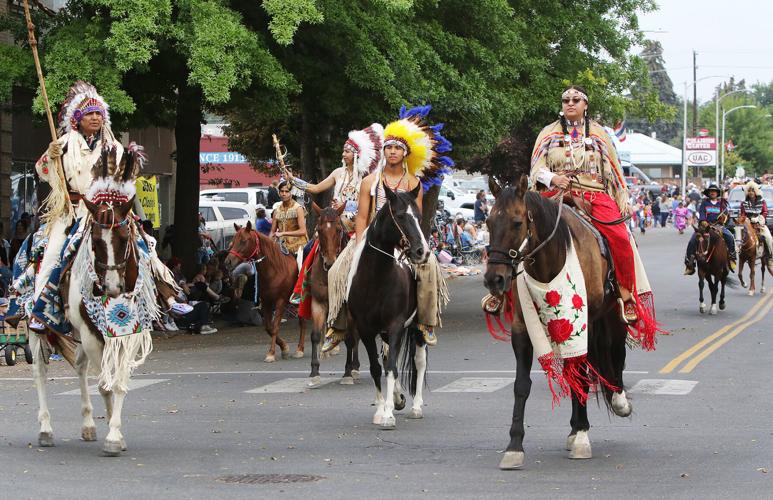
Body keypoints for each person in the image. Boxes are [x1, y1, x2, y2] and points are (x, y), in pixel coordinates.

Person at [530, 85, 657, 330]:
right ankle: (508, 296)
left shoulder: (599, 134)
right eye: (566, 99)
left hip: (594, 195)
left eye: (576, 100)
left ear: (585, 105)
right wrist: (553, 179)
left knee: (620, 237)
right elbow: (536, 167)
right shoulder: (547, 133)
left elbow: (615, 170)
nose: (570, 103)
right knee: (523, 234)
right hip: (555, 194)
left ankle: (624, 293)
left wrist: (623, 197)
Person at [325, 105, 451, 350]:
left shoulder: (414, 183)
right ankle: (337, 326)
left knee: (430, 268)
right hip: (373, 237)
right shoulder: (370, 181)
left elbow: (416, 218)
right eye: (389, 147)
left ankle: (426, 323)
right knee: (336, 271)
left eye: (397, 148)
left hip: (404, 239)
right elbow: (362, 216)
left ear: (405, 153)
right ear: (383, 151)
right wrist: (360, 241)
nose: (392, 152)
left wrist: (413, 242)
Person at [684, 184, 736, 274]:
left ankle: (731, 257)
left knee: (730, 237)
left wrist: (724, 218)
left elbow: (726, 216)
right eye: (711, 191)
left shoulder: (722, 204)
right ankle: (690, 263)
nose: (712, 193)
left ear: (717, 193)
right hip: (705, 226)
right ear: (708, 193)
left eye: (714, 191)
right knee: (693, 240)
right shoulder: (704, 203)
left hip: (718, 227)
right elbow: (702, 215)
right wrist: (704, 222)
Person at [737, 181, 773, 274]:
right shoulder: (744, 203)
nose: (751, 192)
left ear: (756, 191)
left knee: (769, 238)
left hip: (759, 224)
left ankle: (769, 257)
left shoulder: (762, 201)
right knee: (738, 235)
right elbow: (743, 214)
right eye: (749, 191)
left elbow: (765, 212)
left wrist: (758, 218)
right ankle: (737, 253)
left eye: (752, 190)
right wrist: (746, 220)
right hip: (747, 223)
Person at [270, 181, 308, 255]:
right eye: (282, 191)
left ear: (291, 193)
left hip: (298, 248)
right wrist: (268, 244)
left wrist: (283, 233)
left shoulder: (298, 208)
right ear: (279, 193)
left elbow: (303, 231)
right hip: (282, 248)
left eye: (287, 191)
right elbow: (272, 231)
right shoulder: (276, 210)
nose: (284, 194)